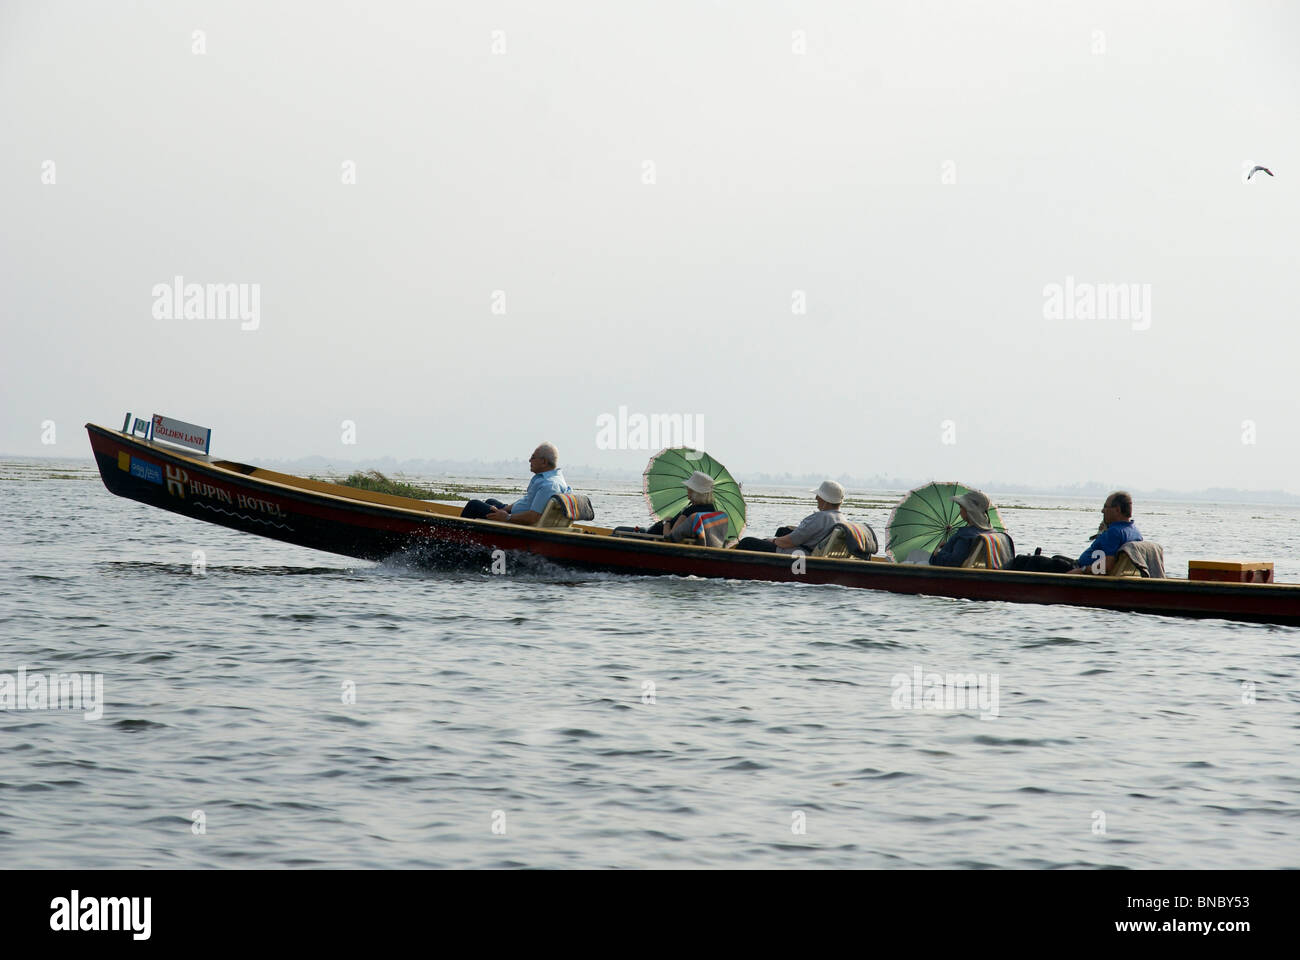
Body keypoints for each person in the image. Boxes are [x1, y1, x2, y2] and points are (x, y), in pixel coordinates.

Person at [461, 442, 571, 524]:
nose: (529, 460)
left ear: (544, 462)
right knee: (491, 502)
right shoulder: (555, 478)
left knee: (473, 505)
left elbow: (533, 517)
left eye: (533, 457)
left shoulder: (549, 485)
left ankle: (458, 541)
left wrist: (507, 517)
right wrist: (505, 509)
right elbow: (528, 501)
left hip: (517, 520)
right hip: (515, 513)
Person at [614, 472, 727, 546]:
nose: (687, 490)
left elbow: (668, 538)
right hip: (655, 536)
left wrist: (667, 521)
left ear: (695, 492)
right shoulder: (711, 510)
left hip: (652, 539)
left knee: (617, 530)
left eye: (689, 488)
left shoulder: (688, 513)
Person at [735, 480, 846, 554]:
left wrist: (772, 541)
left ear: (825, 500)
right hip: (810, 548)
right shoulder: (841, 518)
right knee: (782, 530)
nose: (816, 498)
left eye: (819, 496)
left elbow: (789, 542)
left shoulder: (820, 517)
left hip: (799, 552)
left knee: (747, 542)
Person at [930, 490, 1014, 567]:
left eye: (961, 507)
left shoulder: (965, 536)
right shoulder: (992, 532)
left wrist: (938, 551)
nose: (960, 511)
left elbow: (952, 562)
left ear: (969, 510)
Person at [1067, 491, 1142, 574]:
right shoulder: (1135, 531)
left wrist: (1082, 570)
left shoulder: (1114, 532)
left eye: (1106, 507)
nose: (1102, 511)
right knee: (1057, 558)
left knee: (1051, 564)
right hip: (1081, 565)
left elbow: (1106, 566)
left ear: (1117, 509)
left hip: (1083, 572)